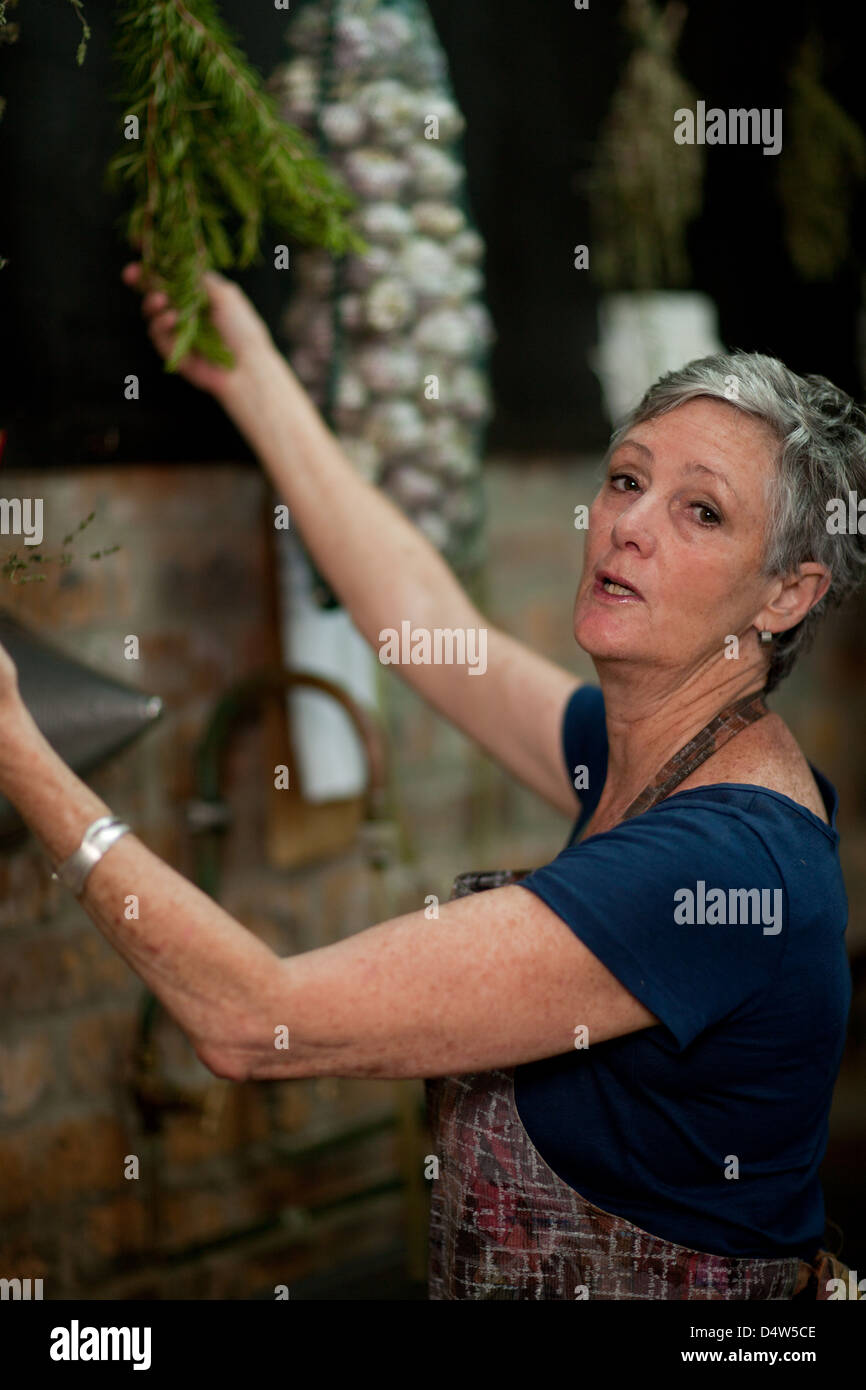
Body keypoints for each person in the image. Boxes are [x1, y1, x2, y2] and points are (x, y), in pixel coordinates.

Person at [0, 263, 862, 1300]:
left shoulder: (719, 865)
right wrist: (249, 373)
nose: (629, 523)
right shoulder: (662, 750)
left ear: (785, 593)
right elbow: (425, 626)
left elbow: (252, 1018)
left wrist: (17, 748)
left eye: (701, 513)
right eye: (627, 479)